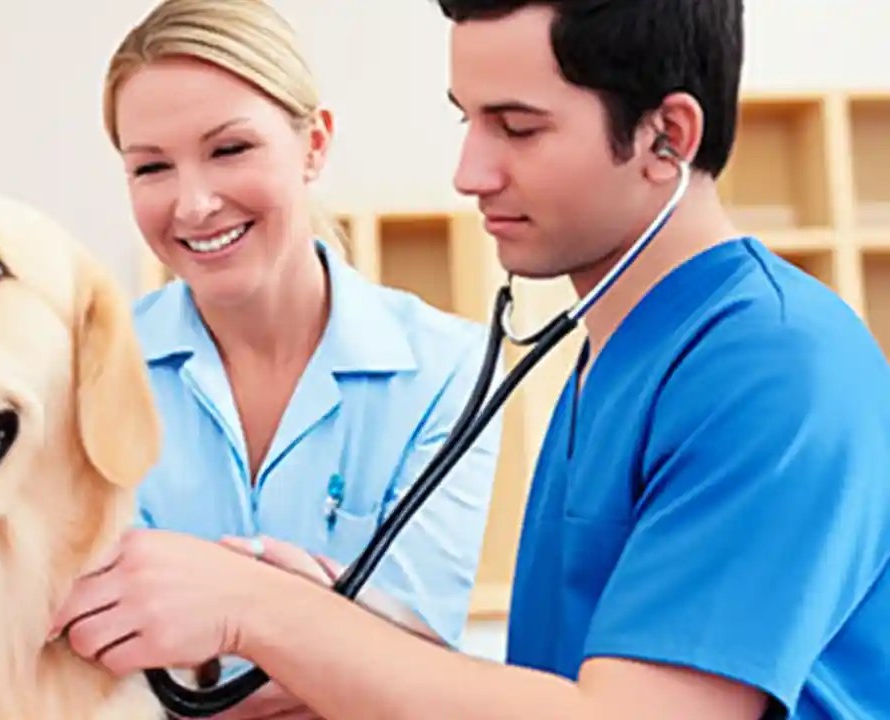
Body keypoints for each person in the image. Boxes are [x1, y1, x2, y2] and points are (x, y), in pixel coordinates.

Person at [52, 1, 890, 718]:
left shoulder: (774, 364)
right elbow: (557, 692)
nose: (468, 172)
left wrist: (259, 613)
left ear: (665, 137)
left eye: (517, 127)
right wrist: (344, 633)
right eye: (468, 119)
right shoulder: (612, 356)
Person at [69, 0, 503, 716]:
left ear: (314, 144)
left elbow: (417, 668)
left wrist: (229, 614)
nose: (195, 203)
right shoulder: (88, 373)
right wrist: (325, 624)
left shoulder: (449, 371)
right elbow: (104, 655)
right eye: (151, 167)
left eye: (229, 149)